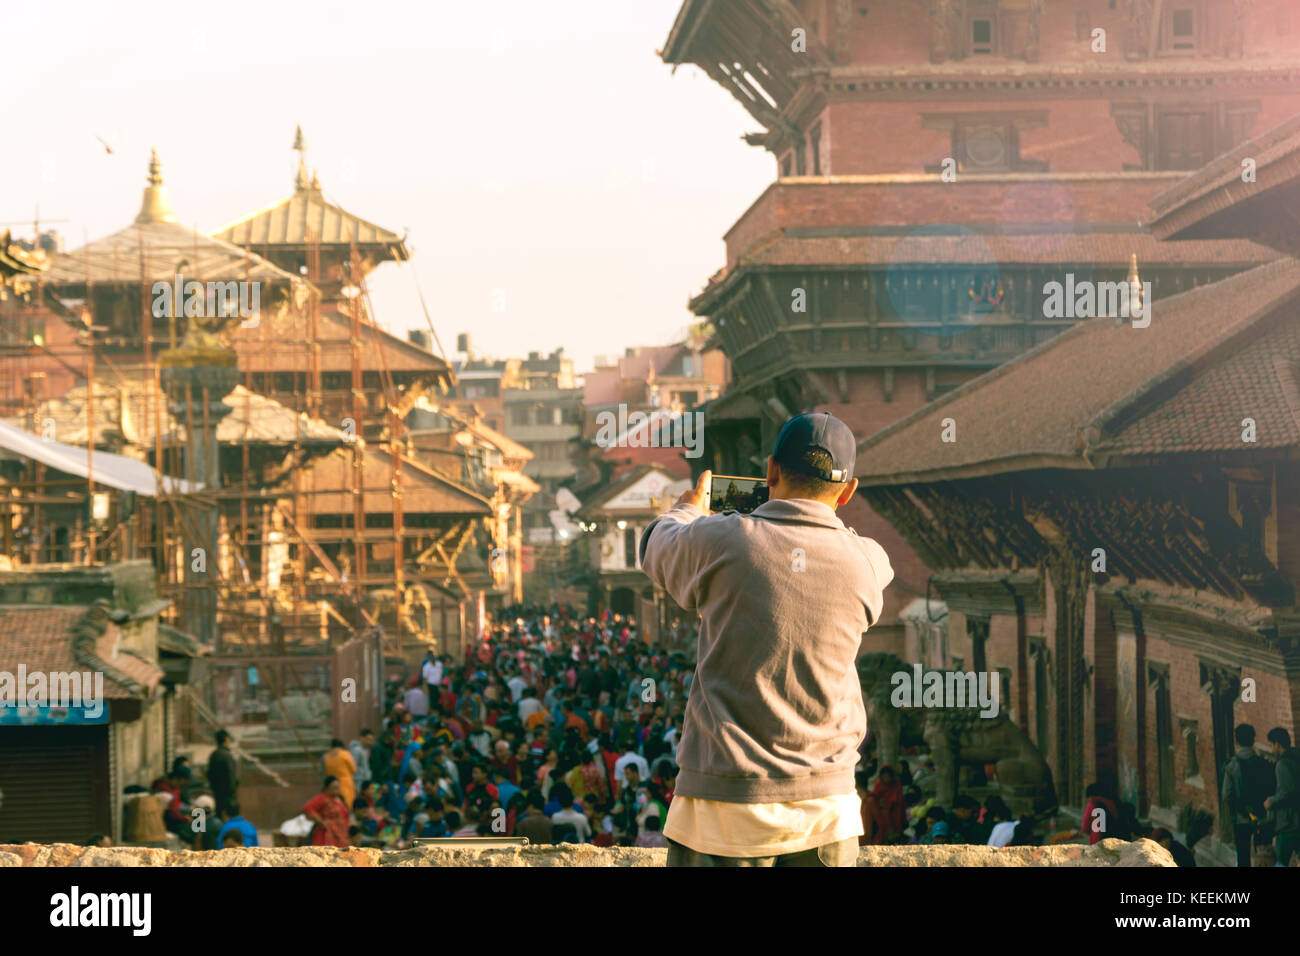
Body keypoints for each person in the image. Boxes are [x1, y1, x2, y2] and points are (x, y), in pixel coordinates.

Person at [640, 412, 893, 867]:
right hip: (826, 811)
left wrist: (687, 509)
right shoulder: (868, 562)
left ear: (771, 470)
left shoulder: (721, 540)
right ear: (849, 492)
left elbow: (654, 544)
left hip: (722, 805)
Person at [1220, 723, 1274, 867]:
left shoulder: (1231, 765)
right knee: (1263, 854)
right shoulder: (1263, 763)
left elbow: (1226, 794)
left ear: (1236, 740)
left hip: (1241, 817)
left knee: (1243, 855)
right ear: (1253, 739)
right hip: (1262, 816)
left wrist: (1237, 809)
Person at [1264, 726, 1298, 867]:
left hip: (1289, 823)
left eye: (1272, 745)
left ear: (1277, 744)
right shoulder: (1298, 756)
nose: (1272, 749)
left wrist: (1270, 802)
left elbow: (1286, 793)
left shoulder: (1282, 764)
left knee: (1281, 860)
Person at [862, 765, 907, 845]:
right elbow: (875, 798)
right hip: (883, 812)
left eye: (888, 777)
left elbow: (899, 799)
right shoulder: (879, 785)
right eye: (884, 777)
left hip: (895, 810)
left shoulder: (897, 784)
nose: (887, 779)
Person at [303, 776, 351, 847]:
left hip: (340, 835)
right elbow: (308, 808)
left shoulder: (338, 799)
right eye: (334, 787)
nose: (336, 790)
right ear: (327, 787)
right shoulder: (322, 798)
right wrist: (321, 821)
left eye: (338, 787)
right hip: (326, 835)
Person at [207, 729, 240, 819]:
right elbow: (231, 775)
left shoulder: (214, 755)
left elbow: (209, 774)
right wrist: (233, 792)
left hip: (217, 793)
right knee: (229, 817)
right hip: (228, 794)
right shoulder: (227, 756)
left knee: (220, 815)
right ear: (226, 740)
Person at [323, 738, 358, 808]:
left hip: (331, 784)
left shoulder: (326, 757)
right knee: (347, 803)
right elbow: (354, 769)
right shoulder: (345, 754)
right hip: (345, 783)